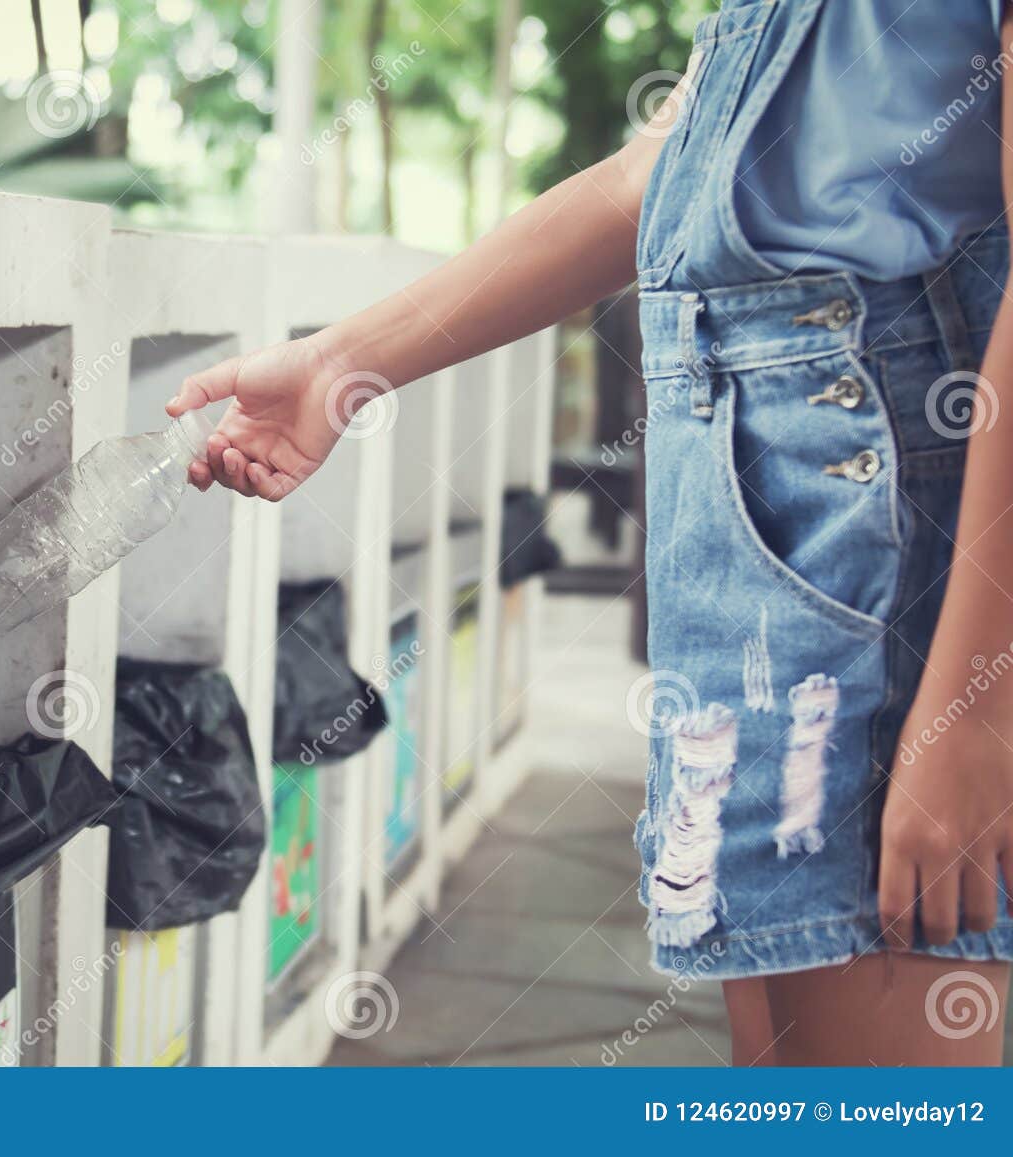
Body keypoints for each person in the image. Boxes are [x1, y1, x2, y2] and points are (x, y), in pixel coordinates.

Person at [168, 0, 1013, 1066]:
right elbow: (652, 175)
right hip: (746, 490)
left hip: (886, 486)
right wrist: (340, 363)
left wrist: (983, 711)